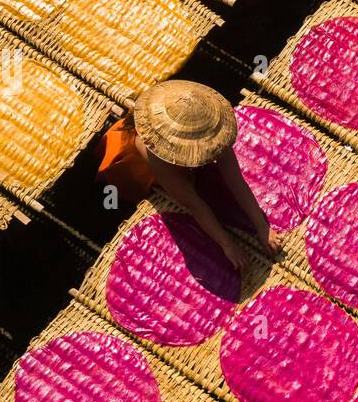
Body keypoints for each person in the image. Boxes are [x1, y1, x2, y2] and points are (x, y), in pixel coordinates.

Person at [96, 79, 280, 272]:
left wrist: (261, 225)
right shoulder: (153, 149)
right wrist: (226, 244)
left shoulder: (213, 129)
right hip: (138, 165)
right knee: (135, 186)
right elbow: (192, 202)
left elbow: (235, 180)